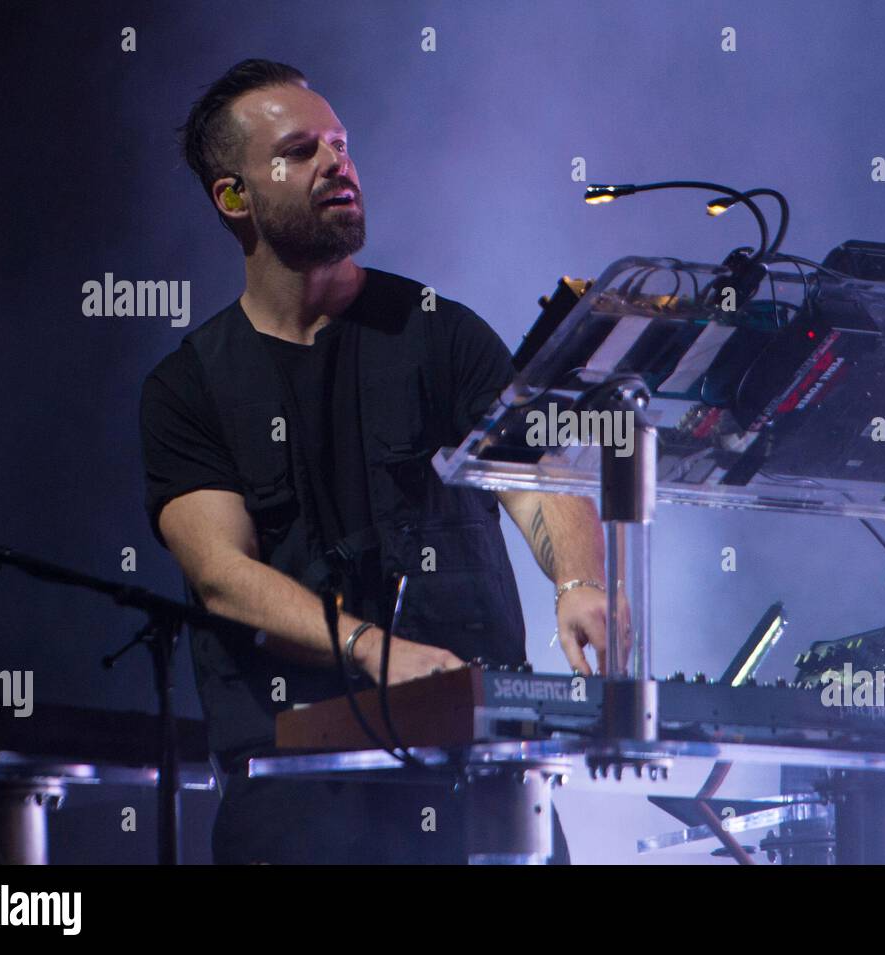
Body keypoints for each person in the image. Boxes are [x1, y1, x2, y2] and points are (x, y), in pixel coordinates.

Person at [139, 59, 609, 863]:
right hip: (294, 794)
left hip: (478, 779)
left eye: (341, 142)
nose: (337, 163)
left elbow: (537, 479)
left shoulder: (440, 332)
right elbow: (221, 575)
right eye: (300, 150)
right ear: (233, 197)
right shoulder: (187, 387)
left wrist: (580, 579)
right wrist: (378, 653)